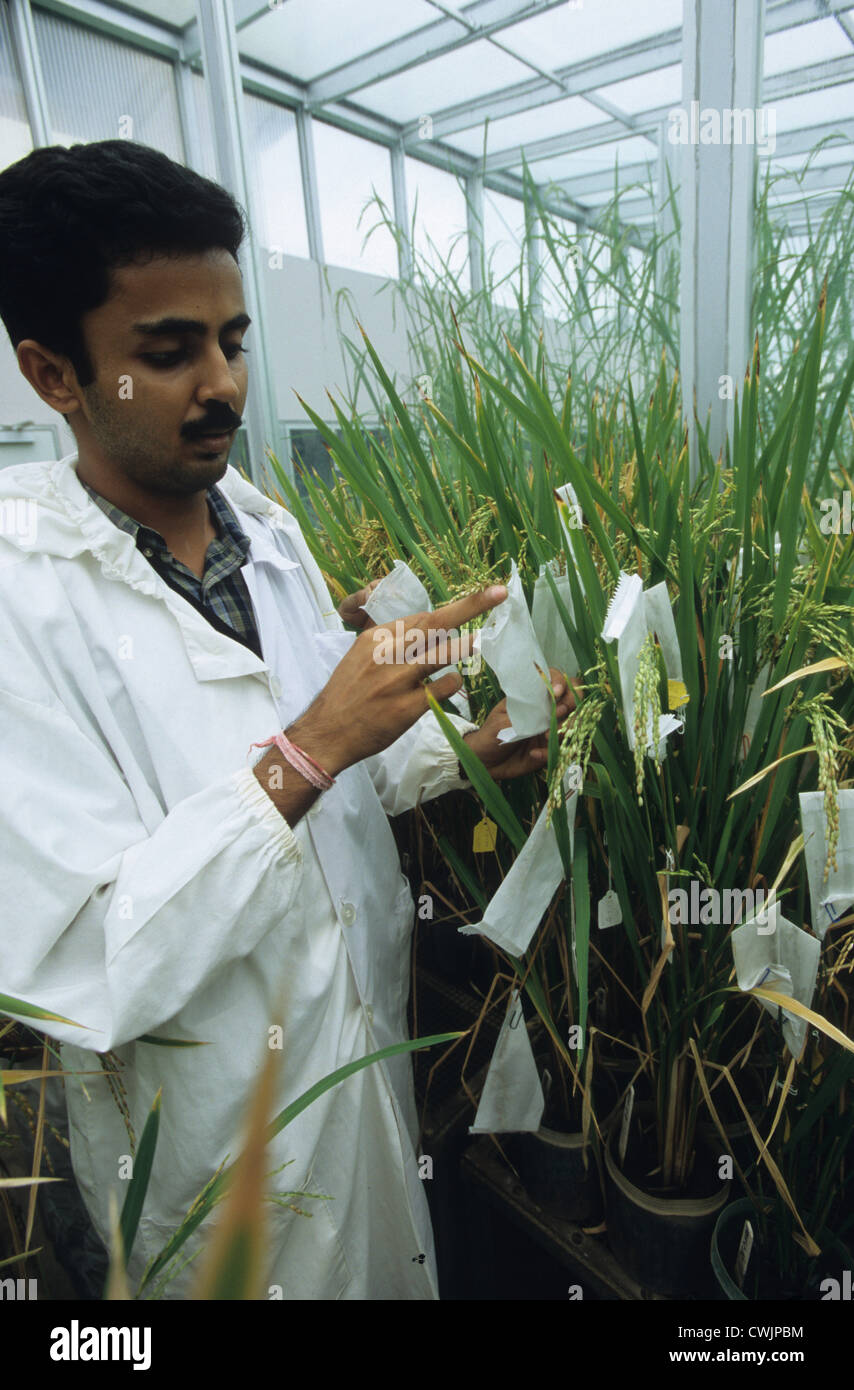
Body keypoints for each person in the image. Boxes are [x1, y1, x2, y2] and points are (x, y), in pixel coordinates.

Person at [0, 140, 571, 1299]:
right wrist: (308, 749)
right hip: (207, 1143)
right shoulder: (24, 600)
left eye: (233, 339)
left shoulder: (263, 526)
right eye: (168, 351)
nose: (222, 384)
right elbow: (81, 963)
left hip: (357, 1065)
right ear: (55, 374)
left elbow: (333, 762)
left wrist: (450, 752)